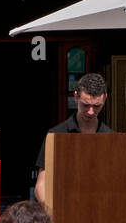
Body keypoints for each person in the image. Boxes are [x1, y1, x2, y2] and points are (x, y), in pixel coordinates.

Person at [34, 71, 111, 203]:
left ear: (105, 98)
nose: (91, 111)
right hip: (63, 207)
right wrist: (51, 211)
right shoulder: (56, 135)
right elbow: (41, 185)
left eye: (97, 106)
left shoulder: (111, 137)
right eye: (85, 105)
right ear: (76, 97)